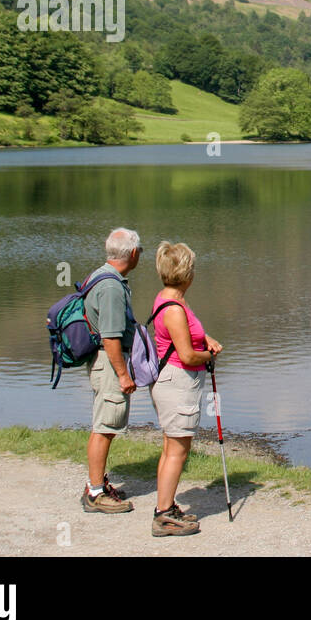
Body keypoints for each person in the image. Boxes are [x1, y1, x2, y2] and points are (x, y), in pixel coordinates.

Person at [149, 241, 222, 537]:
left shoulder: (170, 299)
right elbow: (188, 355)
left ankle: (165, 507)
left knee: (171, 448)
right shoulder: (174, 308)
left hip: (172, 383)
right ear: (187, 273)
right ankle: (164, 515)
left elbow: (188, 335)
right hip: (177, 384)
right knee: (177, 451)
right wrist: (210, 356)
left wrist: (206, 338)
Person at [81, 227, 142, 513]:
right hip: (108, 364)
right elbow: (110, 337)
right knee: (104, 427)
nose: (140, 255)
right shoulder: (111, 287)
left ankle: (98, 483)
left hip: (104, 362)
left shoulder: (101, 275)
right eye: (139, 250)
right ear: (132, 253)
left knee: (104, 423)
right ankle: (95, 493)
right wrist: (123, 374)